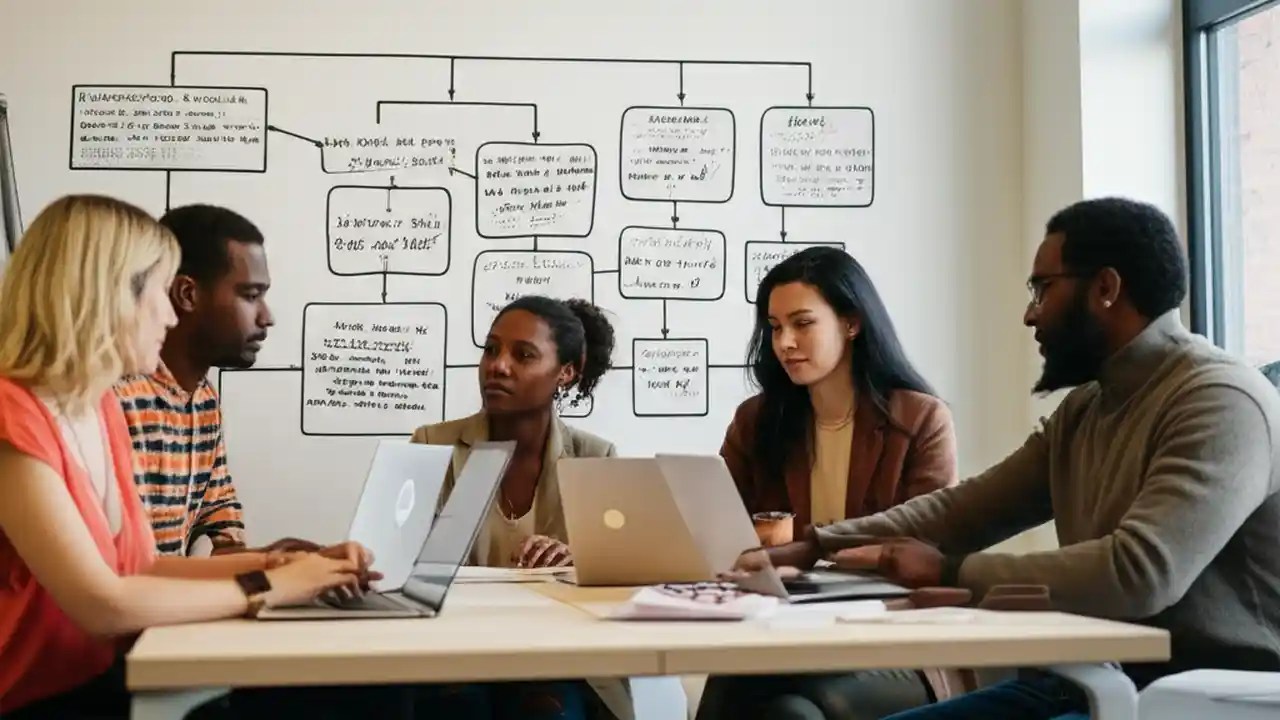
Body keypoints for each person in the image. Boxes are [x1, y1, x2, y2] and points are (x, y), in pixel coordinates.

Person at [758, 197, 1280, 720]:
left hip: (1201, 699)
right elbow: (965, 510)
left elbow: (1138, 572)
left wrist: (951, 570)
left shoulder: (1221, 401)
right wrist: (818, 545)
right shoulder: (1088, 407)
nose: (1031, 313)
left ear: (1105, 288)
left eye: (1042, 288)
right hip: (1096, 680)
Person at [0, 195, 380, 718]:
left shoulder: (98, 406)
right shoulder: (11, 415)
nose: (167, 313)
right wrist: (270, 585)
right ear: (109, 294)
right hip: (38, 701)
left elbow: (141, 566)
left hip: (102, 677)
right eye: (159, 291)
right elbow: (102, 605)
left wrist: (286, 564)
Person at [697, 246, 961, 719]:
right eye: (775, 328)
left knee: (792, 710)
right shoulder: (757, 421)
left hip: (890, 634)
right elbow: (717, 527)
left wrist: (811, 555)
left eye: (802, 323)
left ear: (851, 323)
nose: (784, 343)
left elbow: (924, 548)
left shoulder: (920, 419)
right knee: (734, 681)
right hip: (780, 625)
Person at [410, 295, 625, 720]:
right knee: (458, 709)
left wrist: (574, 564)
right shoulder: (433, 445)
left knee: (548, 711)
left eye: (523, 355)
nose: (498, 365)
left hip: (558, 659)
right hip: (455, 655)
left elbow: (617, 587)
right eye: (491, 349)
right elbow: (401, 573)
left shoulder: (595, 458)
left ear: (566, 372)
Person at [114, 204, 313, 557]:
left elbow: (220, 524)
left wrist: (290, 562)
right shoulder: (113, 397)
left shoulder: (204, 400)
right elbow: (127, 569)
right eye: (251, 296)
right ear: (188, 294)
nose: (267, 317)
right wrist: (271, 570)